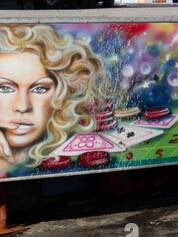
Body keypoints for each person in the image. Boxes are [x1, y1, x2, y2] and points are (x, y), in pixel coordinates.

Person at [0, 24, 102, 170]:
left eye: (40, 89)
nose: (22, 106)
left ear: (62, 94)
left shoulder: (73, 157)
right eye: (4, 88)